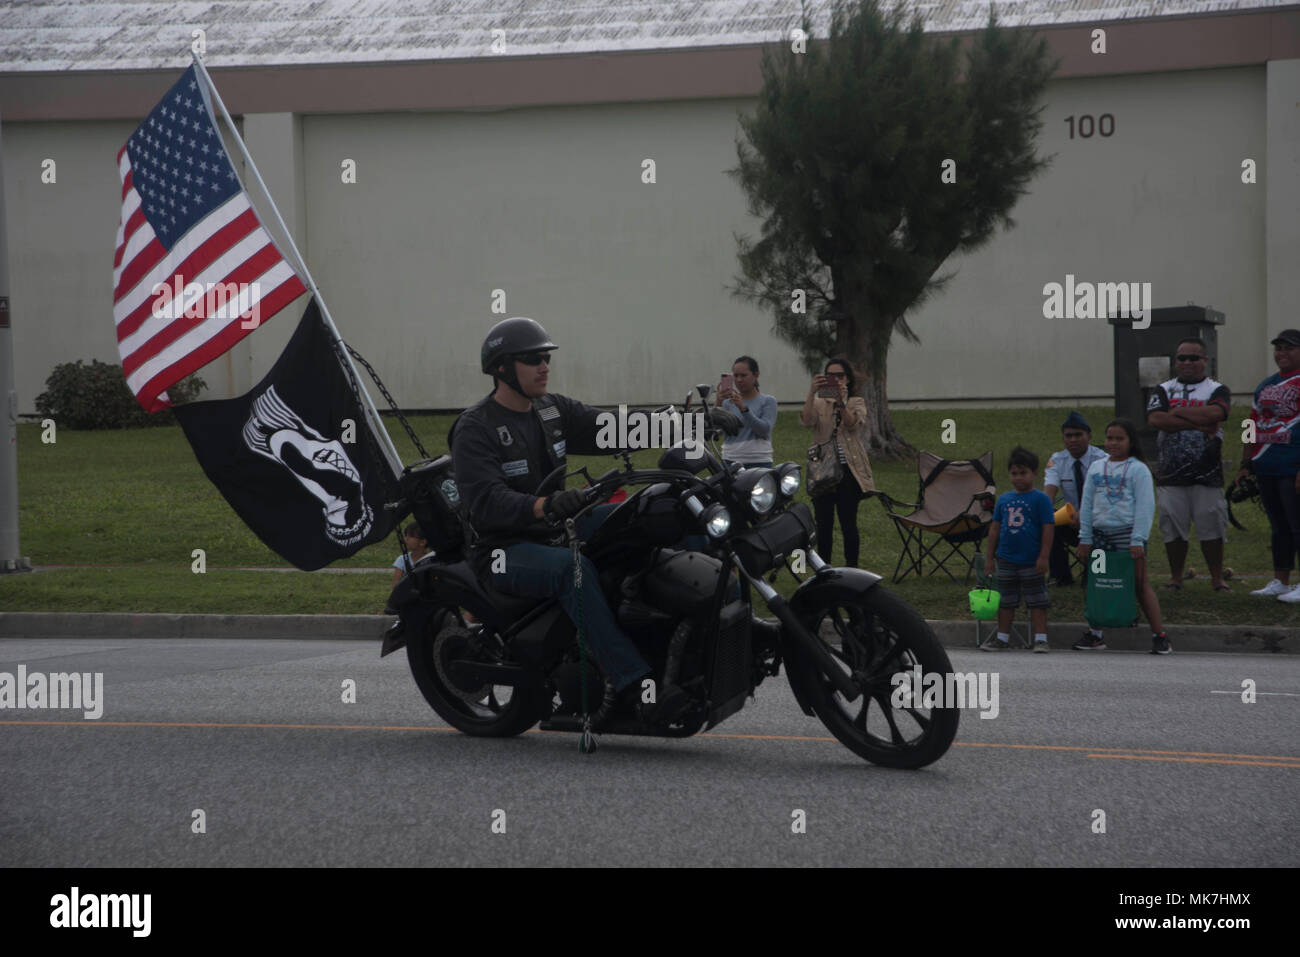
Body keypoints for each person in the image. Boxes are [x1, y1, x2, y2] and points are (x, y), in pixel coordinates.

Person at [449, 317, 685, 722]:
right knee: (570, 570)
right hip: (503, 549)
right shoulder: (476, 428)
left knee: (655, 511)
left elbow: (613, 428)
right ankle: (633, 683)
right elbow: (487, 501)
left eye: (546, 357)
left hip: (560, 527)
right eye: (532, 359)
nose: (544, 366)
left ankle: (675, 636)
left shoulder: (551, 409)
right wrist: (547, 505)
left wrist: (694, 421)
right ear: (502, 368)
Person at [1073, 419, 1171, 654]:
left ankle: (1160, 636)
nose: (1113, 443)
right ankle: (1095, 634)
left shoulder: (1138, 470)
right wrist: (1085, 537)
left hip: (1127, 537)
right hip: (1099, 537)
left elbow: (1145, 508)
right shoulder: (1097, 467)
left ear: (1130, 441)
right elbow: (1086, 504)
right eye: (1109, 438)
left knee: (1138, 584)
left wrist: (1138, 539)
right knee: (1095, 583)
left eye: (1119, 438)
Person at [1145, 338, 1232, 591]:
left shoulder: (1217, 389)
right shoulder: (1163, 389)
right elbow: (1156, 419)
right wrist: (1198, 423)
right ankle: (1176, 577)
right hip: (1170, 473)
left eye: (1193, 358)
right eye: (1181, 358)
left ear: (1204, 360)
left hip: (1208, 472)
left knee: (1212, 526)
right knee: (1172, 526)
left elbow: (1217, 414)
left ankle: (1217, 579)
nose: (1186, 363)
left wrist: (1176, 413)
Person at [1239, 329, 1300, 603]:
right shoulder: (1266, 385)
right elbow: (1250, 423)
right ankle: (1281, 580)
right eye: (1278, 348)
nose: (1282, 353)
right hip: (1266, 465)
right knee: (1279, 527)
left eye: (1289, 348)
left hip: (1292, 466)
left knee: (1297, 524)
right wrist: (1246, 463)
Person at [799, 357, 874, 567]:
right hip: (822, 470)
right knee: (823, 524)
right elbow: (807, 421)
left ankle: (852, 570)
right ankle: (825, 570)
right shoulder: (817, 401)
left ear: (848, 379)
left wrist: (841, 403)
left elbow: (851, 424)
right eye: (829, 376)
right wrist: (811, 392)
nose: (835, 380)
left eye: (839, 376)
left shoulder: (856, 402)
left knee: (848, 523)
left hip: (848, 471)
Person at [981, 447, 1054, 653]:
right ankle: (1002, 638)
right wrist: (989, 558)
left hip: (1031, 560)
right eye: (1014, 473)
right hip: (1006, 559)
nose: (1019, 478)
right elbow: (994, 529)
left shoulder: (1041, 500)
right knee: (1006, 602)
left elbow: (1048, 528)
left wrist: (1044, 556)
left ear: (1034, 474)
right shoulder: (1003, 500)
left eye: (1023, 473)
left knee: (1037, 600)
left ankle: (1041, 639)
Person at [1043, 412, 1107, 586]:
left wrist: (1084, 514)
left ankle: (1094, 575)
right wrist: (1045, 510)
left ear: (1089, 436)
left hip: (1097, 518)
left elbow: (1103, 496)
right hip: (1071, 520)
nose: (1073, 440)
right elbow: (1049, 492)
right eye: (1068, 436)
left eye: (1078, 435)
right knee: (1049, 522)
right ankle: (1060, 576)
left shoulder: (1102, 460)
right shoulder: (1057, 460)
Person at [715, 355, 778, 469]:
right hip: (730, 460)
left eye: (744, 375)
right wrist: (718, 403)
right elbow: (716, 431)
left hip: (758, 460)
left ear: (756, 375)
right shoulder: (727, 403)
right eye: (736, 376)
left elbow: (763, 430)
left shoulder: (768, 401)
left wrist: (743, 409)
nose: (739, 380)